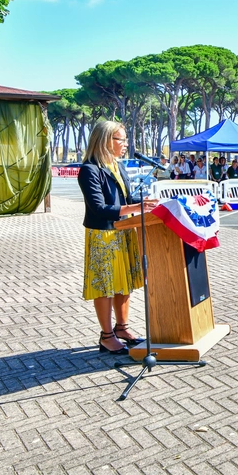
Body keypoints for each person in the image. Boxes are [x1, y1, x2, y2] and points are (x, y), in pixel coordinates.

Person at [77, 120, 158, 355]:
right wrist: (134, 207)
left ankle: (122, 328)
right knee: (105, 286)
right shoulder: (90, 169)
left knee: (125, 282)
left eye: (124, 139)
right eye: (120, 139)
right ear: (105, 140)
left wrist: (146, 203)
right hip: (103, 235)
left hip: (123, 231)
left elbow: (127, 196)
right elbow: (99, 208)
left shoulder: (118, 166)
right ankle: (106, 336)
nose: (125, 144)